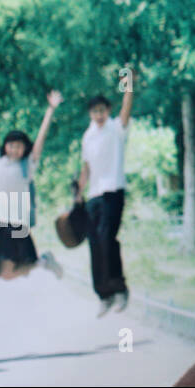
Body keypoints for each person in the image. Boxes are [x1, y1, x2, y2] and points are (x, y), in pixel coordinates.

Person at [0, 82, 64, 282]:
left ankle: (42, 262)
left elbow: (41, 138)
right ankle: (40, 262)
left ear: (24, 149)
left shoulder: (26, 166)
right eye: (11, 145)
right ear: (6, 146)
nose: (15, 149)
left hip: (15, 224)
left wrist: (51, 109)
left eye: (19, 146)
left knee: (7, 274)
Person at [77, 85, 134, 316]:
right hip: (93, 196)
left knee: (107, 239)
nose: (98, 115)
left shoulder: (116, 128)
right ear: (90, 114)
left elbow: (126, 109)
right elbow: (86, 167)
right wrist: (78, 192)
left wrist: (129, 85)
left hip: (113, 191)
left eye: (102, 111)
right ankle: (104, 295)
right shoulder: (88, 136)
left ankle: (119, 289)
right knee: (94, 244)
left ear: (108, 110)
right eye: (94, 112)